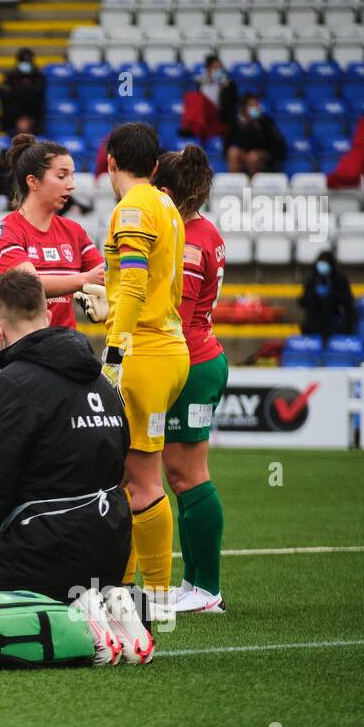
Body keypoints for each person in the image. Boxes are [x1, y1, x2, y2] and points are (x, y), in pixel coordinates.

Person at [0, 274, 138, 631]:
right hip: (111, 543)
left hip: (50, 544)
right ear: (48, 316)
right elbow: (123, 468)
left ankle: (80, 625)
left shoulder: (12, 382)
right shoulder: (102, 380)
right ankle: (104, 605)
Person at [100, 122, 190, 599]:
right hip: (168, 347)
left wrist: (114, 349)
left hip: (143, 351)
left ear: (110, 161)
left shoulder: (131, 206)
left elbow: (135, 283)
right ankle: (127, 589)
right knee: (125, 477)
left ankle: (155, 597)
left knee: (141, 478)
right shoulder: (166, 205)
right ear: (155, 165)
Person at [0, 135, 105, 404]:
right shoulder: (6, 231)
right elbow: (28, 284)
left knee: (59, 445)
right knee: (3, 444)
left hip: (61, 357)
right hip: (10, 358)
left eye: (72, 175)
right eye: (61, 175)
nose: (71, 184)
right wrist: (84, 280)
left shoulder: (74, 231)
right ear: (32, 181)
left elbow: (104, 275)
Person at [156, 145, 228, 614]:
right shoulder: (201, 230)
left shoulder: (188, 240)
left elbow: (173, 319)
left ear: (166, 189)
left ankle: (207, 590)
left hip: (189, 361)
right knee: (180, 475)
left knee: (186, 475)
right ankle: (196, 583)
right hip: (201, 357)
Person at [298, 250, 357, 340]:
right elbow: (304, 300)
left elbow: (348, 302)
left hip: (334, 320)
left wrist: (332, 294)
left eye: (326, 263)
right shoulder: (313, 279)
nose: (322, 266)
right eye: (321, 263)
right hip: (313, 321)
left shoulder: (339, 279)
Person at [178, 55, 237, 143]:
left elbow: (232, 103)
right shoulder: (201, 82)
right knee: (191, 95)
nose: (218, 70)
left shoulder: (229, 85)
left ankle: (194, 126)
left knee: (197, 97)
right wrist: (207, 79)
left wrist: (224, 84)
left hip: (217, 113)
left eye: (220, 68)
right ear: (209, 69)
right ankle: (192, 126)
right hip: (203, 112)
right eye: (215, 67)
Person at [225, 94, 285, 177]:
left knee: (253, 157)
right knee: (233, 153)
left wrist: (262, 154)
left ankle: (251, 187)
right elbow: (228, 144)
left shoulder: (266, 122)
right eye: (251, 105)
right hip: (242, 156)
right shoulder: (236, 123)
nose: (255, 108)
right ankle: (235, 184)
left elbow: (278, 146)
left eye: (257, 105)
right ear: (243, 108)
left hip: (262, 158)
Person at [0, 47, 45, 134]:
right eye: (22, 60)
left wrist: (12, 92)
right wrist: (20, 92)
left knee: (23, 127)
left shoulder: (38, 76)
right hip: (8, 116)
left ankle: (22, 147)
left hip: (28, 115)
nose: (25, 63)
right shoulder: (11, 74)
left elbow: (33, 97)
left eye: (27, 60)